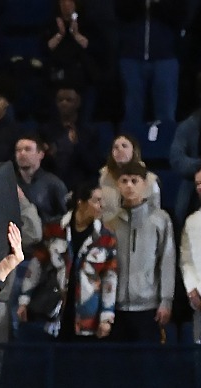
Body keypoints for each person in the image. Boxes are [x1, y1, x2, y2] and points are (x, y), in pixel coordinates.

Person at [27, 182, 118, 350]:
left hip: (87, 315)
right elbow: (37, 263)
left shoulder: (106, 237)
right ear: (81, 202)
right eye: (96, 201)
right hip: (54, 312)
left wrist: (107, 316)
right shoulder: (54, 228)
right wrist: (24, 298)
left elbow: (109, 278)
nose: (101, 206)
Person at [110, 159, 176, 343]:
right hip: (116, 306)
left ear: (145, 184)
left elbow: (167, 261)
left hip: (149, 306)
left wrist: (166, 301)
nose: (129, 186)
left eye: (134, 181)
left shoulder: (160, 219)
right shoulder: (111, 222)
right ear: (117, 184)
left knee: (147, 365)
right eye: (124, 181)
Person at [115, 0, 182, 132]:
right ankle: (131, 149)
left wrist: (158, 4)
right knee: (132, 111)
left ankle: (165, 148)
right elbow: (120, 11)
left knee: (166, 112)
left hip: (165, 56)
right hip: (132, 55)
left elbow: (181, 15)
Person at [40, 84, 107, 189]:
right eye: (60, 100)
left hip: (81, 186)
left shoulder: (89, 132)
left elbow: (95, 165)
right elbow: (41, 165)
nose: (64, 103)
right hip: (52, 185)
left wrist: (77, 145)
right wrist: (49, 154)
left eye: (69, 100)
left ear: (78, 102)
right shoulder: (45, 131)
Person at [100, 133, 160, 222]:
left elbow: (156, 212)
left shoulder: (150, 180)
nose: (120, 149)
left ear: (134, 151)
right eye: (116, 147)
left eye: (124, 146)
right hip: (110, 229)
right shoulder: (103, 178)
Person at [12, 135, 69, 224]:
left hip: (45, 234)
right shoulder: (9, 183)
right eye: (18, 150)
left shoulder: (53, 184)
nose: (22, 153)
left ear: (41, 154)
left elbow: (66, 217)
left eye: (27, 149)